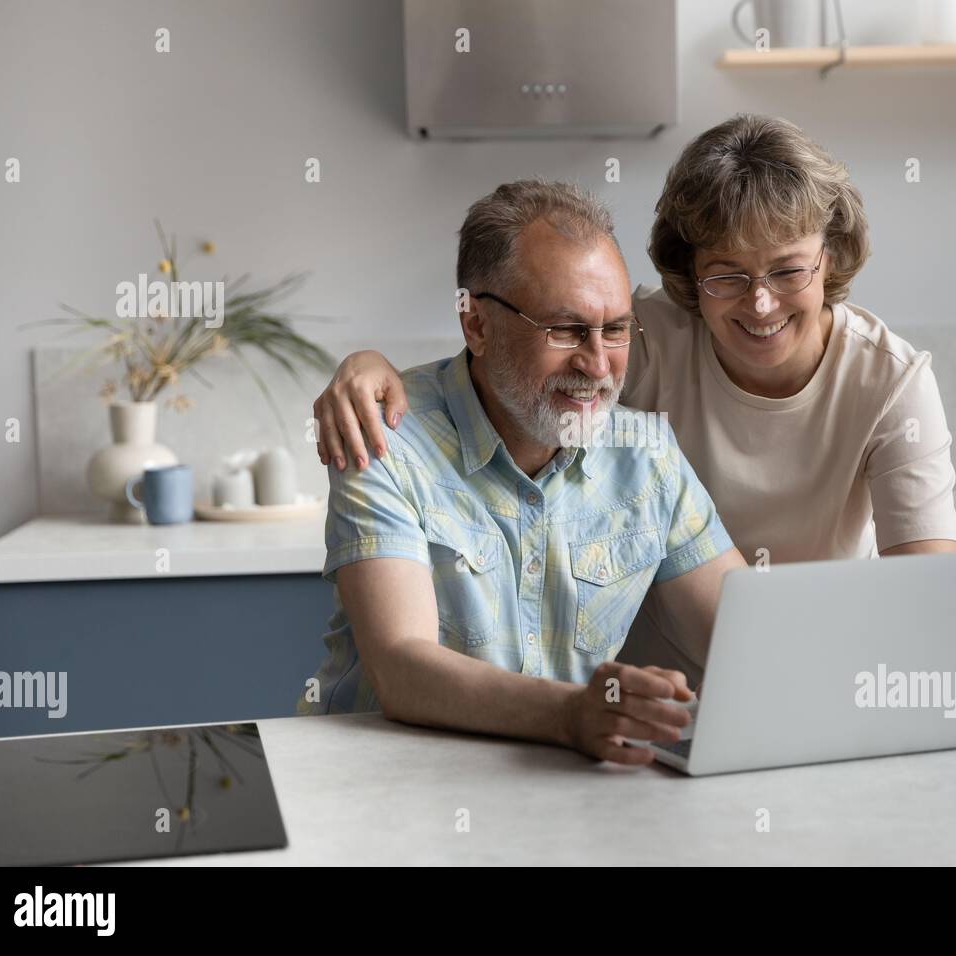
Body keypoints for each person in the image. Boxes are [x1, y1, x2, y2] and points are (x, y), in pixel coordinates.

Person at [311, 114, 956, 687]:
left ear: (828, 258)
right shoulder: (643, 336)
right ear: (692, 282)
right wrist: (366, 365)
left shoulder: (880, 384)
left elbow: (908, 613)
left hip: (758, 688)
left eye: (788, 270)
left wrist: (860, 696)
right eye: (728, 274)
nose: (760, 303)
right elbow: (401, 666)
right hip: (598, 721)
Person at [298, 180, 746, 767]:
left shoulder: (647, 454)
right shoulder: (386, 438)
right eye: (564, 330)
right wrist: (569, 714)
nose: (595, 364)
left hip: (553, 798)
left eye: (615, 330)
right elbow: (401, 666)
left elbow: (748, 643)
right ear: (477, 325)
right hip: (382, 788)